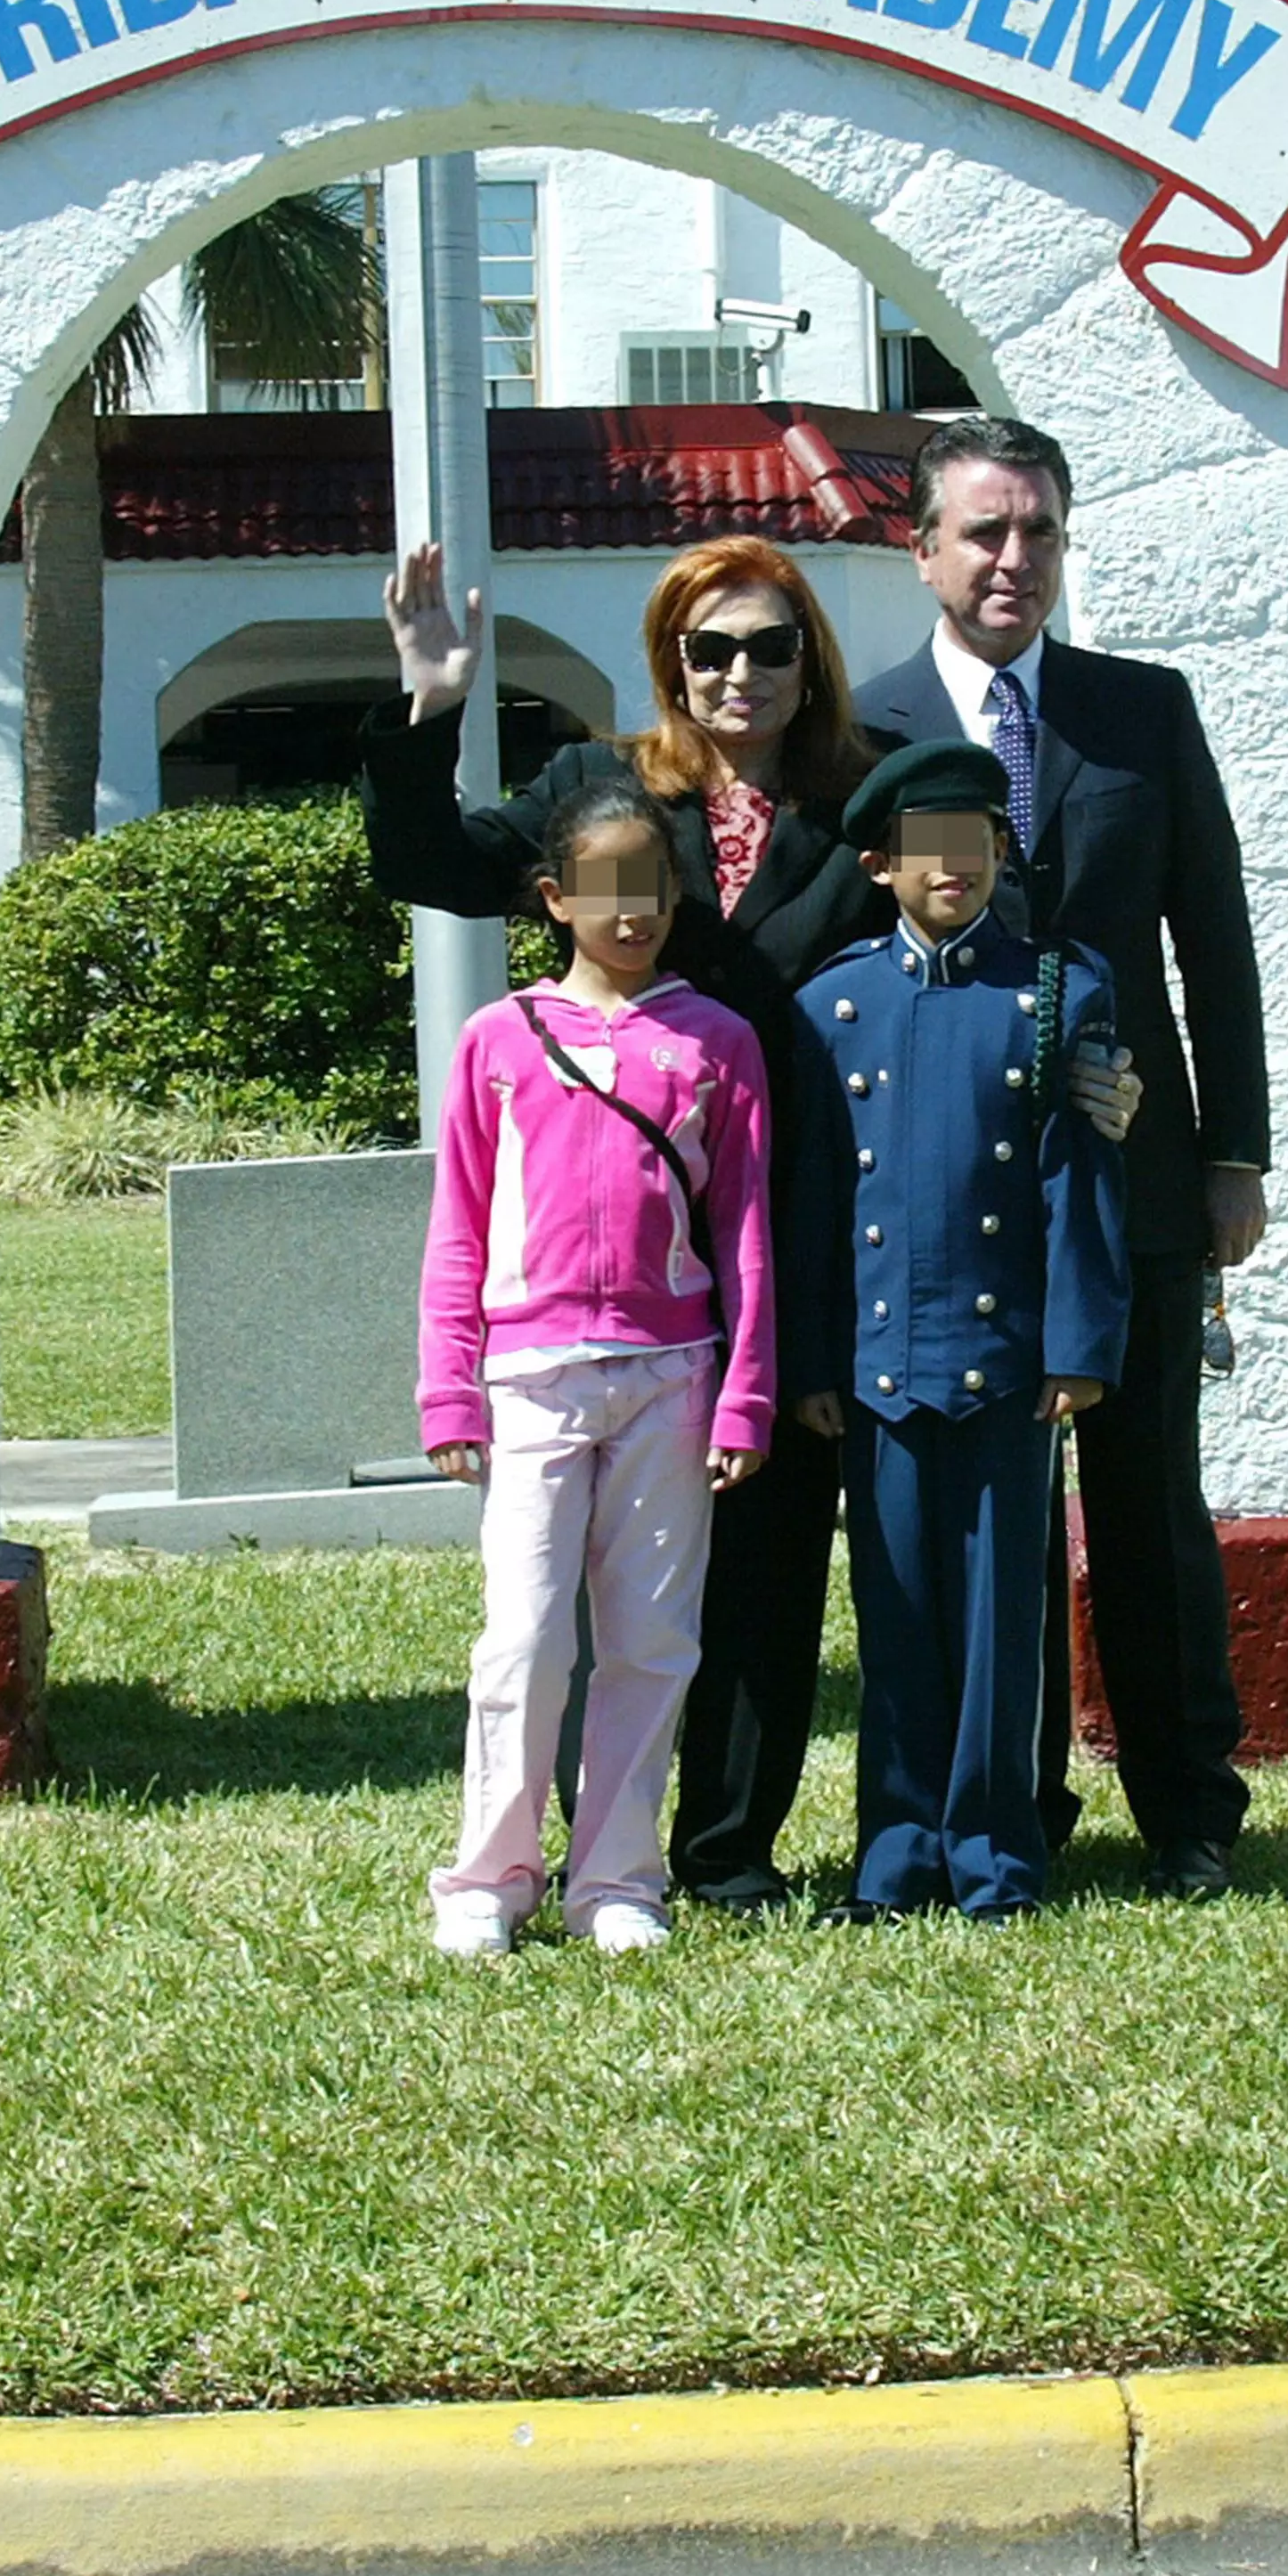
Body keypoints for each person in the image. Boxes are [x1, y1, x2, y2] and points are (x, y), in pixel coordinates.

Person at [365, 529, 1138, 1912]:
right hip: (644, 1253)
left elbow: (1000, 958)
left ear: (809, 662)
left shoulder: (860, 798)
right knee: (656, 1586)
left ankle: (757, 1850)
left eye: (771, 646)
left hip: (836, 1238)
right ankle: (631, 1853)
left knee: (788, 1560)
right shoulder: (600, 794)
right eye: (707, 647)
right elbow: (425, 857)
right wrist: (431, 703)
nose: (739, 673)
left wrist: (1100, 1068)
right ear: (671, 661)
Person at [854, 413, 1269, 1899]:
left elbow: (1212, 943)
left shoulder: (1140, 711)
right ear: (925, 550)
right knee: (990, 1522)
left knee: (1149, 1500)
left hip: (1136, 1180)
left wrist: (1236, 1153)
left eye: (1037, 530)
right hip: (953, 1199)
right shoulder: (868, 724)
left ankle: (1188, 1812)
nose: (1013, 559)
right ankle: (1007, 1810)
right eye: (983, 532)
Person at [418, 778, 773, 1959]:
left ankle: (617, 1875)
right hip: (528, 1378)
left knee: (651, 1640)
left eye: (652, 889)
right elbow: (459, 1228)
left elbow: (746, 1233)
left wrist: (746, 1391)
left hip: (671, 1375)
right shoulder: (499, 1042)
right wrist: (447, 1385)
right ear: (557, 900)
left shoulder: (716, 1042)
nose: (631, 914)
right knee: (524, 1634)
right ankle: (490, 1873)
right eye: (605, 890)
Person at [786, 743, 1129, 1922]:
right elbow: (818, 1207)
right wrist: (816, 1356)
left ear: (997, 855)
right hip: (879, 1365)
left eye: (974, 844)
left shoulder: (1057, 993)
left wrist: (1080, 1345)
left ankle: (996, 1858)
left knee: (999, 1629)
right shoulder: (833, 1006)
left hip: (1007, 1363)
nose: (953, 869)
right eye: (928, 848)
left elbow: (1073, 1182)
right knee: (895, 1622)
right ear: (881, 864)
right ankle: (898, 1859)